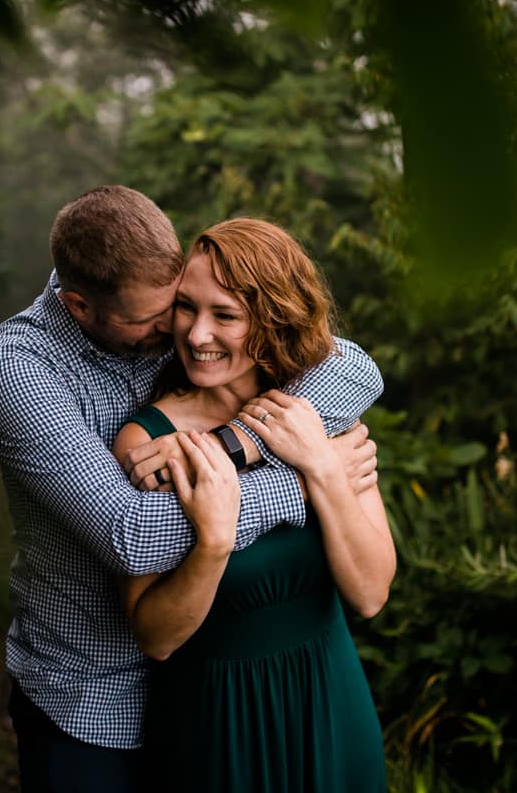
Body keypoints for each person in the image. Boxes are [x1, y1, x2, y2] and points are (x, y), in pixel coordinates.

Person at [0, 186, 384, 792]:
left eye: (184, 307)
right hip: (93, 697)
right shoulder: (20, 371)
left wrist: (233, 447)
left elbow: (350, 363)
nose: (182, 333)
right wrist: (312, 477)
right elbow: (133, 535)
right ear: (80, 306)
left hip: (220, 687)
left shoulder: (164, 299)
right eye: (158, 320)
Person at [111, 217, 393, 792]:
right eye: (187, 308)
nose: (196, 334)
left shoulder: (319, 413)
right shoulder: (149, 443)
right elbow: (155, 637)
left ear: (272, 320)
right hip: (217, 719)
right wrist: (212, 544)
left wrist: (320, 466)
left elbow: (369, 595)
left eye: (225, 315)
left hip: (328, 698)